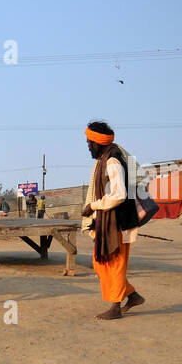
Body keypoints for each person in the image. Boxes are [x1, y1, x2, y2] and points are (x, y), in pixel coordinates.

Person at [81, 121, 143, 320]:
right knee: (101, 263)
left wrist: (94, 206)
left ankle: (115, 307)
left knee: (114, 263)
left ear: (98, 142)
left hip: (117, 220)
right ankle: (132, 295)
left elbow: (119, 194)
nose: (88, 146)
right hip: (108, 220)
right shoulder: (104, 158)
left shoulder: (112, 161)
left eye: (90, 142)